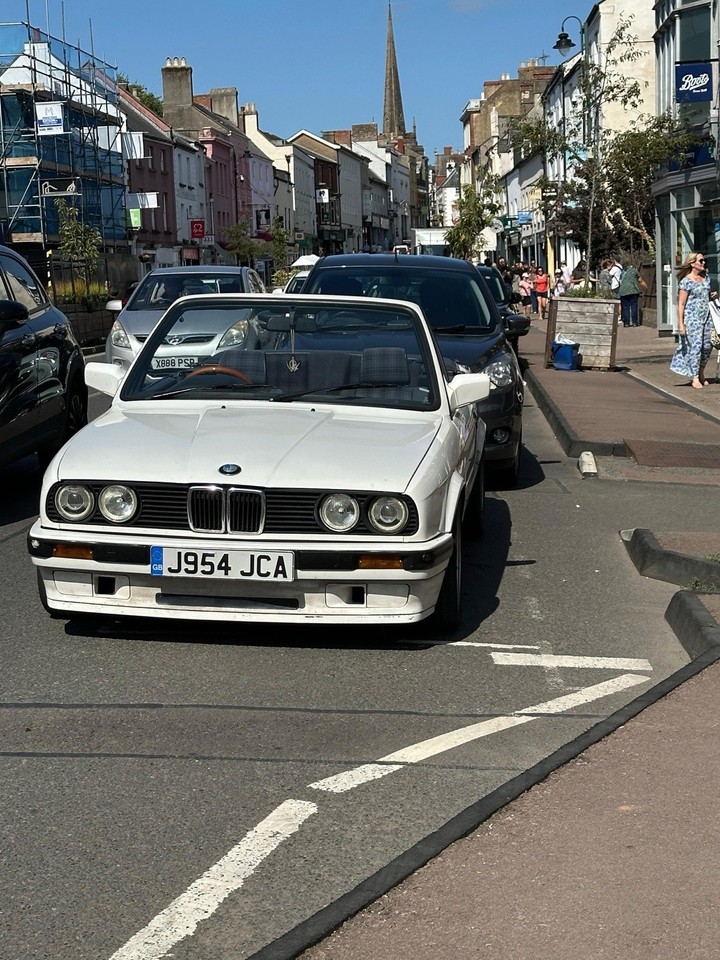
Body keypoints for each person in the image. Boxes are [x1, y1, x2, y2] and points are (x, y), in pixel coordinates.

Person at [670, 252, 716, 389]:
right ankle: (695, 376)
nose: (703, 263)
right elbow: (681, 304)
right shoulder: (686, 281)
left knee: (707, 346)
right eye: (701, 261)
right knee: (695, 347)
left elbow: (705, 295)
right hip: (692, 318)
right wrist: (681, 324)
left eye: (704, 260)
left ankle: (701, 372)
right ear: (692, 263)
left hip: (707, 317)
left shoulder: (705, 278)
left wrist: (712, 295)